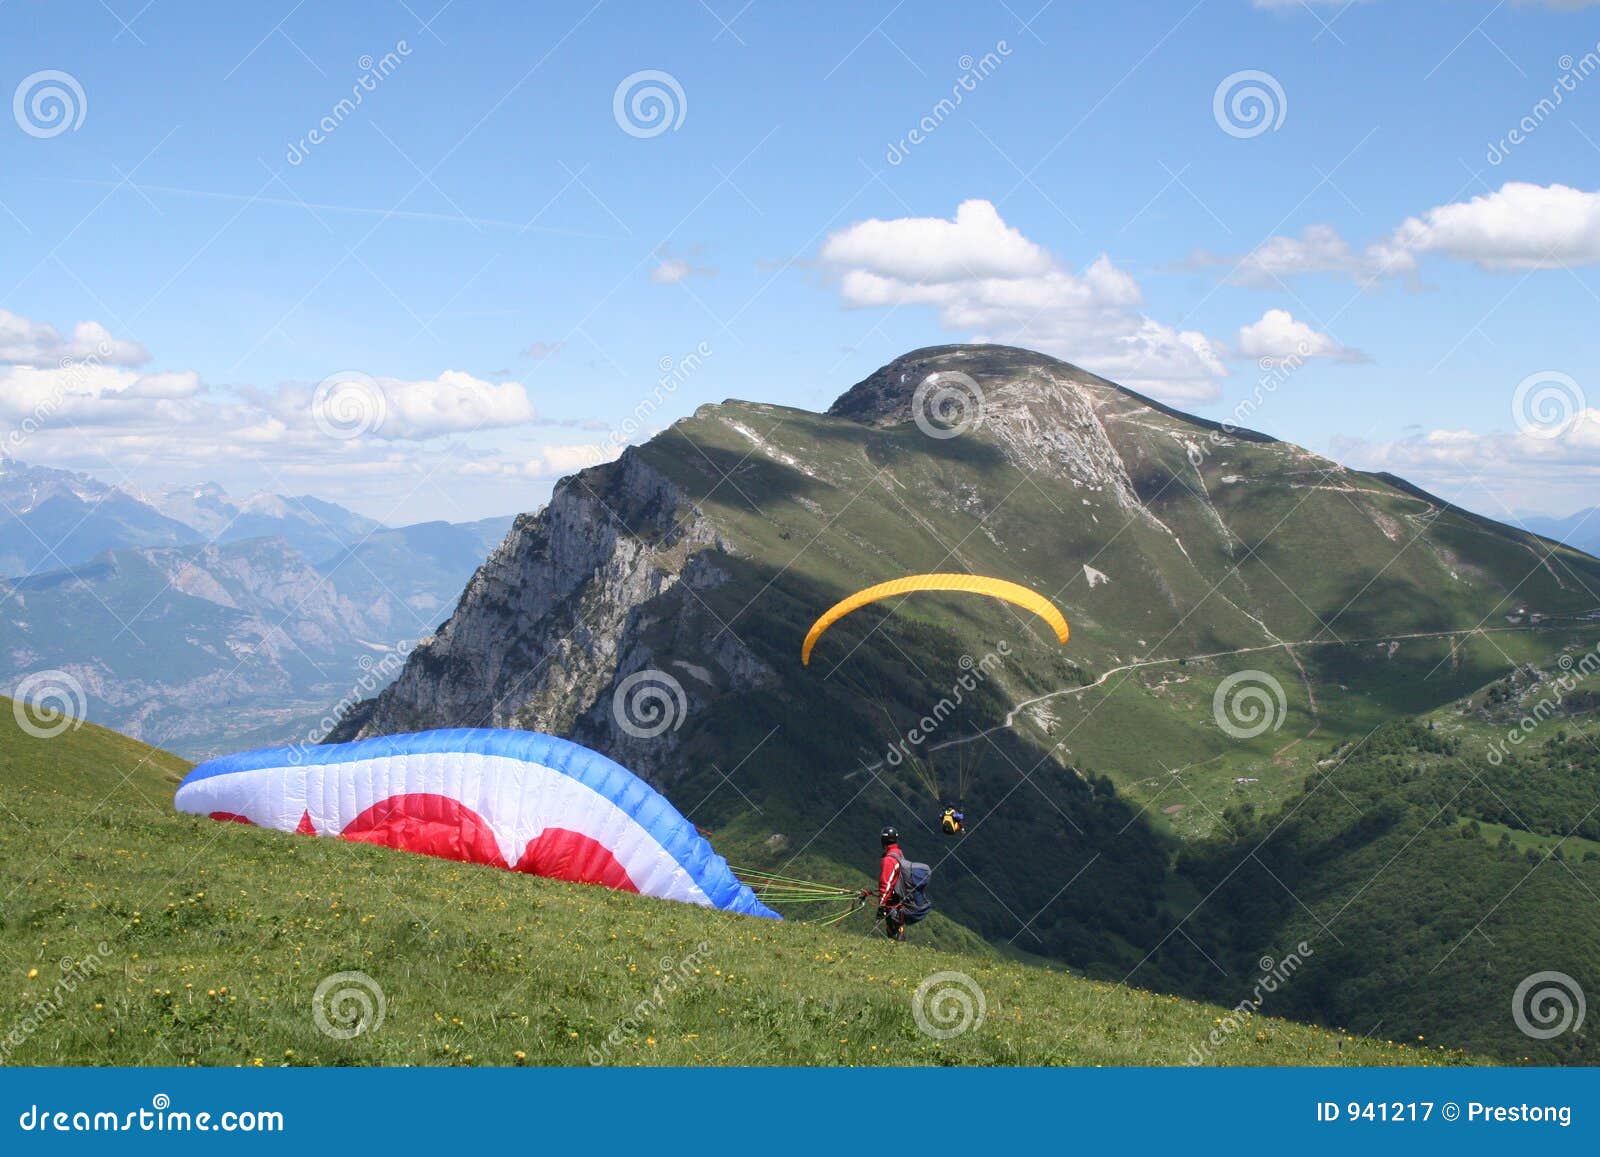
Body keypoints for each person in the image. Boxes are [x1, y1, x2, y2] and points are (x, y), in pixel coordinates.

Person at [876, 826, 907, 940]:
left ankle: (896, 949)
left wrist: (882, 904)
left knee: (893, 930)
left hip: (892, 901)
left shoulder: (889, 859)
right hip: (900, 899)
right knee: (898, 927)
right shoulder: (899, 854)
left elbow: (886, 883)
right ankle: (897, 950)